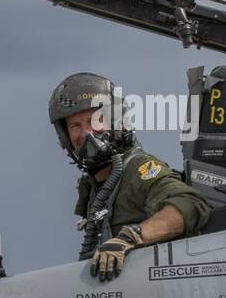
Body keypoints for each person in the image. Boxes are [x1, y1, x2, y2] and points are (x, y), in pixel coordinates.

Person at [49, 72, 210, 281]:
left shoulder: (138, 168)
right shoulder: (93, 185)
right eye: (75, 126)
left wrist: (132, 237)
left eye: (94, 121)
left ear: (115, 121)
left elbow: (190, 204)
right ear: (65, 136)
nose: (86, 133)